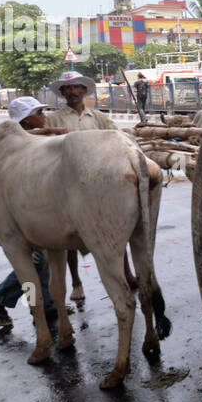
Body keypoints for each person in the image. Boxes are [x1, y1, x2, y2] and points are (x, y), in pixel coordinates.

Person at [41, 71, 134, 303]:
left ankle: (127, 274)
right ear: (62, 93)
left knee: (116, 229)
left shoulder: (98, 117)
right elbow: (45, 146)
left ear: (84, 91)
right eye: (68, 89)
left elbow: (117, 136)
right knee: (69, 237)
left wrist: (135, 134)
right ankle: (76, 282)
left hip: (101, 182)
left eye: (76, 88)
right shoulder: (54, 120)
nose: (73, 92)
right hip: (68, 185)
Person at [0, 97, 66, 327]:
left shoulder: (37, 138)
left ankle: (47, 305)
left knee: (46, 257)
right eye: (39, 112)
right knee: (36, 261)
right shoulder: (11, 144)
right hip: (23, 212)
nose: (44, 115)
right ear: (27, 119)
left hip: (42, 208)